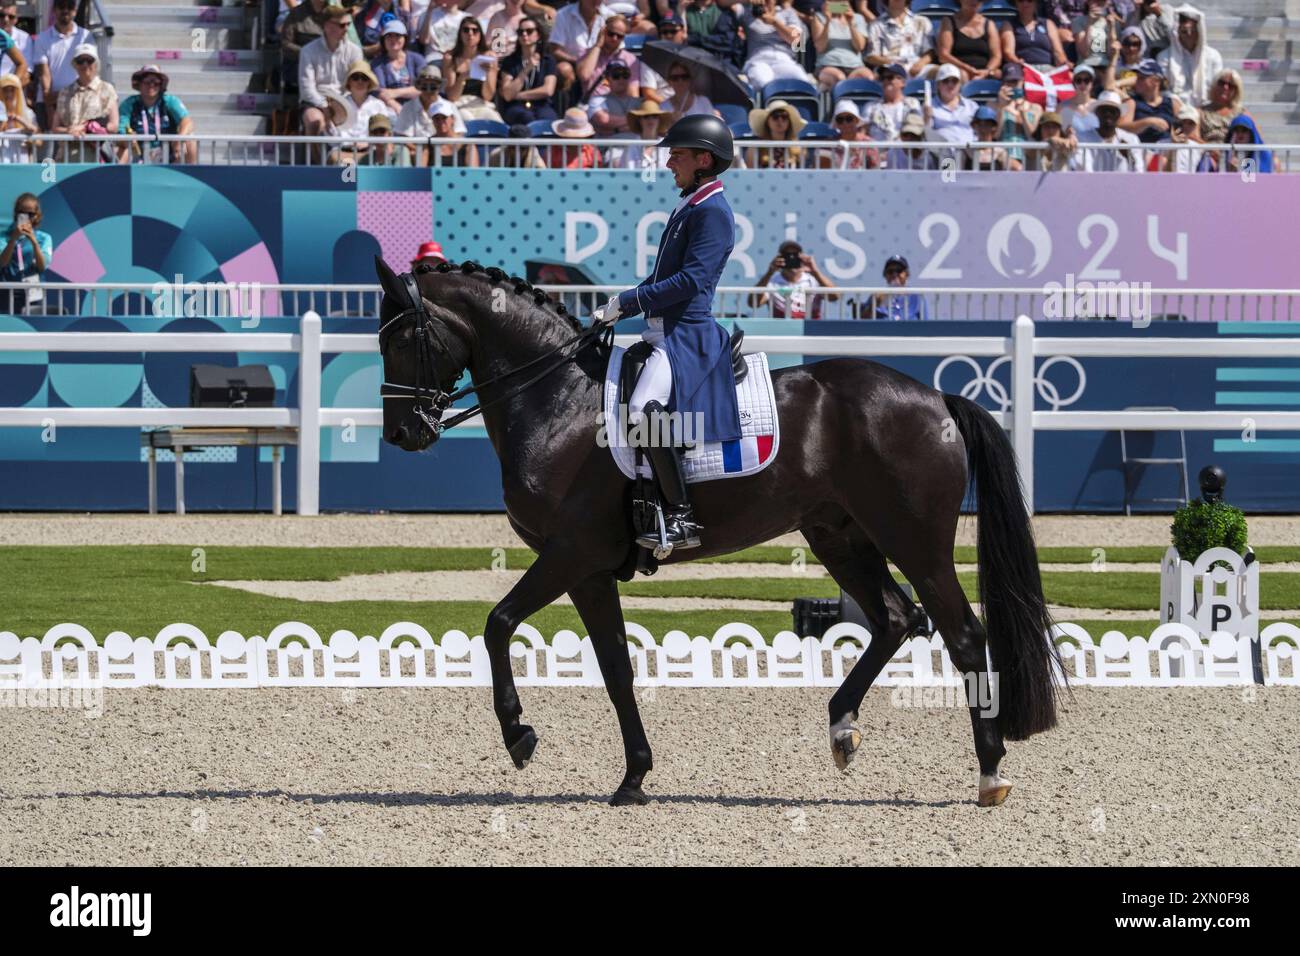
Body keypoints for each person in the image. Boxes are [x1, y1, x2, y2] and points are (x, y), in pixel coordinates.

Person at [592, 114, 740, 550]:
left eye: (677, 154)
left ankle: (681, 516)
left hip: (685, 335)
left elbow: (693, 281)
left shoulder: (712, 211)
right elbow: (665, 277)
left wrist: (630, 300)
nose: (670, 161)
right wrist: (621, 306)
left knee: (641, 410)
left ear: (704, 159)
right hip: (663, 330)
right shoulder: (691, 204)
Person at [299, 6, 364, 159]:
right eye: (342, 25)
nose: (347, 29)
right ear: (327, 26)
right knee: (314, 120)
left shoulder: (355, 51)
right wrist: (325, 106)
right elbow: (306, 89)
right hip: (316, 102)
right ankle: (318, 167)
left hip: (347, 101)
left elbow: (356, 82)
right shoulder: (308, 51)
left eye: (348, 24)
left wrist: (340, 106)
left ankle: (348, 171)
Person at [116, 64, 196, 164]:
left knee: (190, 142)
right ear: (139, 84)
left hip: (169, 154)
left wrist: (179, 139)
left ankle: (187, 178)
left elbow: (187, 121)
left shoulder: (170, 101)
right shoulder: (128, 104)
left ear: (161, 85)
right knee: (121, 150)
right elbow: (121, 130)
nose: (151, 85)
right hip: (138, 156)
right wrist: (128, 139)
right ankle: (118, 179)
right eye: (147, 82)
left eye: (156, 82)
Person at [31, 0, 91, 130]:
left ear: (75, 10)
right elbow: (44, 79)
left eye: (70, 6)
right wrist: (50, 106)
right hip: (48, 104)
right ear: (54, 10)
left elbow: (89, 73)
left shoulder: (86, 36)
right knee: (47, 150)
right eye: (61, 6)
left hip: (79, 103)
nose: (66, 10)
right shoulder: (42, 38)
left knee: (77, 149)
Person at [53, 43, 117, 161]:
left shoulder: (107, 89)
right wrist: (69, 130)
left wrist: (87, 128)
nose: (85, 64)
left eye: (89, 60)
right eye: (80, 61)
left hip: (97, 155)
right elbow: (55, 127)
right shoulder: (65, 91)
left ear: (96, 63)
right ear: (75, 65)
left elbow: (113, 126)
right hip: (67, 155)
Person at [750, 239, 837, 320]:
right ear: (780, 258)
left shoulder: (814, 280)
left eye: (795, 255)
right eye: (787, 256)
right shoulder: (771, 283)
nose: (791, 258)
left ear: (801, 257)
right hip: (782, 333)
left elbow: (835, 297)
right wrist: (769, 272)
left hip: (811, 332)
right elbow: (753, 303)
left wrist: (815, 271)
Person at [734, 0, 811, 89]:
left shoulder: (788, 13)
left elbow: (796, 41)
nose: (764, 2)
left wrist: (775, 23)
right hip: (758, 60)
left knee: (803, 82)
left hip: (784, 60)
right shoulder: (747, 11)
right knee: (762, 81)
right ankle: (774, 102)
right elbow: (722, 2)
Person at [1156, 4, 1220, 107]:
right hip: (1175, 109)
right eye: (1184, 31)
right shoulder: (1164, 57)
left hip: (1206, 109)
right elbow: (1163, 90)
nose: (1189, 35)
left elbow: (1217, 88)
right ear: (1177, 32)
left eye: (1193, 31)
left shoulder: (1213, 56)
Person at [548, 0, 611, 106]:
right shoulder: (563, 15)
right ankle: (566, 112)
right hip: (572, 64)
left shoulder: (610, 16)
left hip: (602, 65)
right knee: (564, 69)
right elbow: (555, 50)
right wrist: (579, 62)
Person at [497, 17, 559, 123]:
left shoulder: (548, 60)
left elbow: (548, 90)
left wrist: (518, 95)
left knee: (548, 119)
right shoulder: (510, 61)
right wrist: (527, 69)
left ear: (538, 35)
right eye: (521, 32)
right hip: (516, 107)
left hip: (542, 105)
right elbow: (507, 94)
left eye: (529, 31)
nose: (524, 35)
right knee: (525, 117)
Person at [0, 193, 51, 314]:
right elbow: (2, 263)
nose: (26, 217)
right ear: (16, 214)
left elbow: (42, 266)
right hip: (7, 290)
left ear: (37, 216)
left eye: (31, 214)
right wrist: (13, 240)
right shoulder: (4, 237)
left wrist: (33, 241)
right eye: (22, 213)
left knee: (32, 327)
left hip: (33, 290)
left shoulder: (44, 238)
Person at [444, 17, 503, 120]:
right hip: (459, 104)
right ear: (460, 34)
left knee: (495, 120)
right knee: (467, 119)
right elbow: (452, 97)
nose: (470, 34)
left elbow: (488, 96)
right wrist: (462, 77)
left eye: (475, 30)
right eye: (466, 30)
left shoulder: (489, 57)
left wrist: (488, 74)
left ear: (480, 35)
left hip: (481, 103)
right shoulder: (450, 57)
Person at [810, 2, 873, 92]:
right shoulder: (819, 17)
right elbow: (820, 47)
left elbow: (860, 47)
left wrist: (851, 23)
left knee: (868, 77)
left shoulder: (858, 18)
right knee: (839, 79)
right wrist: (828, 21)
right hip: (827, 65)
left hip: (855, 66)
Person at [1120, 58, 1183, 144]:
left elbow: (1186, 126)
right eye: (1137, 78)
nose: (1136, 81)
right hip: (1140, 150)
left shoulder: (1173, 103)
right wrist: (1148, 122)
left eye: (1141, 78)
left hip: (1167, 150)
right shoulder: (1130, 102)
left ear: (1156, 81)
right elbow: (1121, 127)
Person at [577, 13, 639, 100]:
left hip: (618, 105)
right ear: (603, 31)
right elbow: (584, 76)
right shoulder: (586, 53)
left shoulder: (630, 59)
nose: (614, 38)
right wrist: (597, 46)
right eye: (611, 33)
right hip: (592, 104)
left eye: (619, 36)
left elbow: (633, 91)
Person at [1077, 88, 1142, 170]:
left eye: (1112, 111)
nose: (1108, 114)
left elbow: (1139, 171)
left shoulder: (1131, 139)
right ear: (1097, 113)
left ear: (1119, 115)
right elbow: (1082, 168)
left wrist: (1129, 157)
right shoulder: (1083, 138)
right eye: (1104, 110)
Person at [865, 0, 933, 77]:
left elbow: (929, 52)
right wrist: (893, 63)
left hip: (917, 67)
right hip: (890, 68)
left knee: (943, 71)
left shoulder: (922, 21)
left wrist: (920, 64)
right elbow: (872, 57)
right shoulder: (876, 25)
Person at [937, 0, 1001, 82]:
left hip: (984, 70)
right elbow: (943, 55)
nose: (974, 1)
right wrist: (967, 68)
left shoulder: (989, 24)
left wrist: (986, 71)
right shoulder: (949, 22)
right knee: (962, 75)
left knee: (1000, 74)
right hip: (958, 68)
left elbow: (996, 56)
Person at [371, 20, 428, 110]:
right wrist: (398, 108)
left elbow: (424, 87)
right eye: (389, 36)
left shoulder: (417, 59)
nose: (393, 39)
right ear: (383, 40)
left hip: (417, 105)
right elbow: (380, 92)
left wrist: (395, 92)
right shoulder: (377, 64)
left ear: (405, 38)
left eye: (397, 35)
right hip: (389, 108)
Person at [864, 61, 920, 143]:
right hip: (876, 153)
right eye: (883, 78)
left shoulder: (912, 104)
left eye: (890, 77)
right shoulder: (871, 107)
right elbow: (863, 133)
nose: (886, 81)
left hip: (904, 153)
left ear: (903, 82)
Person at [1000, 0, 1067, 68]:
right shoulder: (1009, 25)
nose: (1025, 3)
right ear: (1016, 3)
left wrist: (1063, 64)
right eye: (1020, 1)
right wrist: (1018, 62)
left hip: (1047, 68)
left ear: (1036, 3)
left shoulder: (1048, 23)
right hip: (1021, 68)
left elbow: (1058, 52)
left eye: (1030, 0)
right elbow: (1008, 52)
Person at [608, 99, 670, 168]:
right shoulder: (631, 147)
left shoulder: (667, 146)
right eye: (646, 116)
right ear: (640, 120)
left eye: (654, 116)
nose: (650, 120)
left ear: (659, 120)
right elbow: (627, 173)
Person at [926, 62, 977, 144]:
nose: (950, 85)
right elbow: (927, 135)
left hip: (970, 153)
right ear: (938, 84)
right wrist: (926, 118)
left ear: (960, 84)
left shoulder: (972, 106)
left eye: (954, 81)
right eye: (945, 81)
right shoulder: (929, 106)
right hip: (942, 154)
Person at [747, 99, 805, 168]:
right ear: (767, 122)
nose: (780, 120)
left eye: (784, 117)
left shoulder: (798, 148)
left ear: (789, 123)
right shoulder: (755, 148)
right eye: (775, 116)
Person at [872, 254, 929, 321]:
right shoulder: (877, 295)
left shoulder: (918, 297)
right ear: (885, 275)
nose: (894, 274)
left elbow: (925, 325)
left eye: (899, 270)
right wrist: (875, 303)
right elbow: (863, 320)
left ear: (907, 274)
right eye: (890, 271)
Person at [1197, 68, 1242, 144]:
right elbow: (1193, 137)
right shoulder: (1200, 112)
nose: (1225, 87)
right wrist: (1209, 149)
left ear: (1236, 91)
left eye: (1230, 85)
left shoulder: (1242, 114)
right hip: (1206, 153)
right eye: (1221, 83)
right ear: (1214, 85)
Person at [0, 73, 37, 163]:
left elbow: (37, 137)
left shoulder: (28, 113)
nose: (8, 94)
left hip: (20, 158)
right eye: (5, 90)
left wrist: (17, 118)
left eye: (12, 90)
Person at [0, 3, 32, 81]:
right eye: (1, 15)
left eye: (11, 17)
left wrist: (10, 87)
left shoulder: (25, 38)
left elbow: (25, 68)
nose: (6, 19)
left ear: (17, 18)